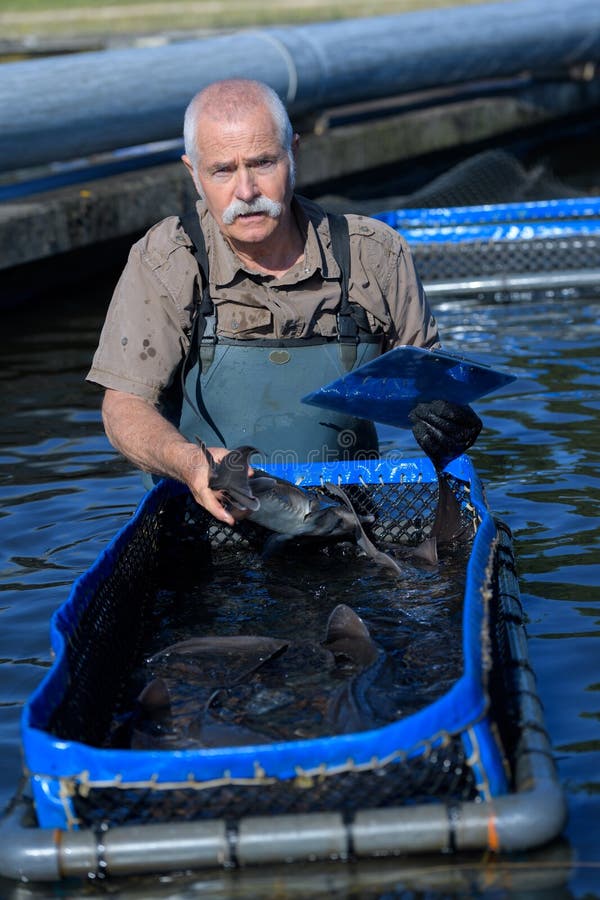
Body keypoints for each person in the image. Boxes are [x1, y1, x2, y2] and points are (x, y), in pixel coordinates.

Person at [87, 78, 480, 526]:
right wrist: (190, 463)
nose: (246, 190)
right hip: (205, 523)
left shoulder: (375, 253)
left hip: (343, 520)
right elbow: (122, 407)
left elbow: (429, 384)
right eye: (222, 170)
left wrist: (448, 416)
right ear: (192, 173)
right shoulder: (168, 259)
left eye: (263, 162)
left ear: (294, 153)